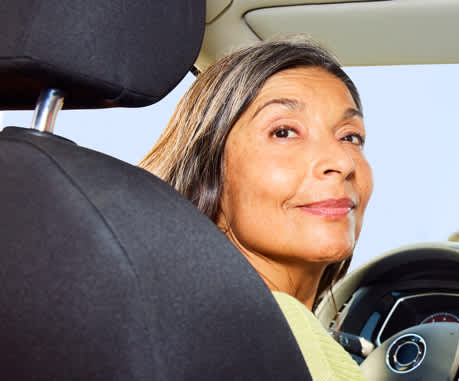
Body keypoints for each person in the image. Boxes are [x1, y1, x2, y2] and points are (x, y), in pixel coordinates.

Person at [139, 37, 373, 380]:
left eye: (350, 137)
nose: (341, 161)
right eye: (284, 132)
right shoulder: (275, 333)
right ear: (210, 174)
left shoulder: (179, 328)